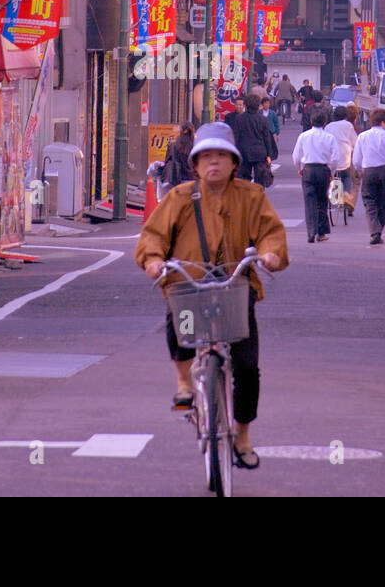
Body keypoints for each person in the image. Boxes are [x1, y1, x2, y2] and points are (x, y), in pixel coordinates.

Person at [135, 123, 288, 470]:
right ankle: (183, 382)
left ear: (234, 162)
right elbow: (153, 236)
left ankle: (243, 435)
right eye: (207, 156)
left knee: (248, 367)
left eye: (221, 155)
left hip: (236, 285)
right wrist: (154, 260)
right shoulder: (178, 198)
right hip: (189, 283)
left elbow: (270, 234)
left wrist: (270, 254)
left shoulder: (252, 196)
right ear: (196, 163)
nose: (214, 162)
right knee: (179, 321)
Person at [352, 109, 385, 246]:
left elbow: (356, 159)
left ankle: (374, 231)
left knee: (369, 202)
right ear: (383, 122)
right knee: (384, 205)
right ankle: (377, 231)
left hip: (368, 171)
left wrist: (359, 170)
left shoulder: (362, 136)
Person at [292, 109, 340, 243]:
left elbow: (296, 156)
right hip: (323, 170)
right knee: (322, 202)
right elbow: (335, 158)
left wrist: (299, 169)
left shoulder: (304, 136)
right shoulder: (330, 137)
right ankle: (322, 232)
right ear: (325, 122)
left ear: (311, 121)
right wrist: (331, 172)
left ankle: (311, 232)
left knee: (309, 202)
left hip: (308, 170)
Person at [227, 93, 278, 182]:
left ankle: (246, 194)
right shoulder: (263, 119)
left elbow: (236, 137)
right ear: (258, 106)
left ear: (245, 105)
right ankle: (257, 194)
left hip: (244, 152)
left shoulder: (239, 119)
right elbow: (267, 138)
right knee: (260, 179)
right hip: (260, 152)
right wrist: (269, 154)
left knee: (243, 179)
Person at [325, 106, 358, 218]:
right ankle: (346, 195)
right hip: (345, 157)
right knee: (347, 176)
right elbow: (355, 142)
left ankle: (335, 198)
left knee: (333, 176)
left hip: (331, 158)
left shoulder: (328, 127)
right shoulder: (348, 125)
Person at [160, 123, 195, 193]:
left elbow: (167, 161)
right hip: (193, 181)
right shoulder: (196, 146)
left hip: (177, 180)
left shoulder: (173, 145)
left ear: (181, 131)